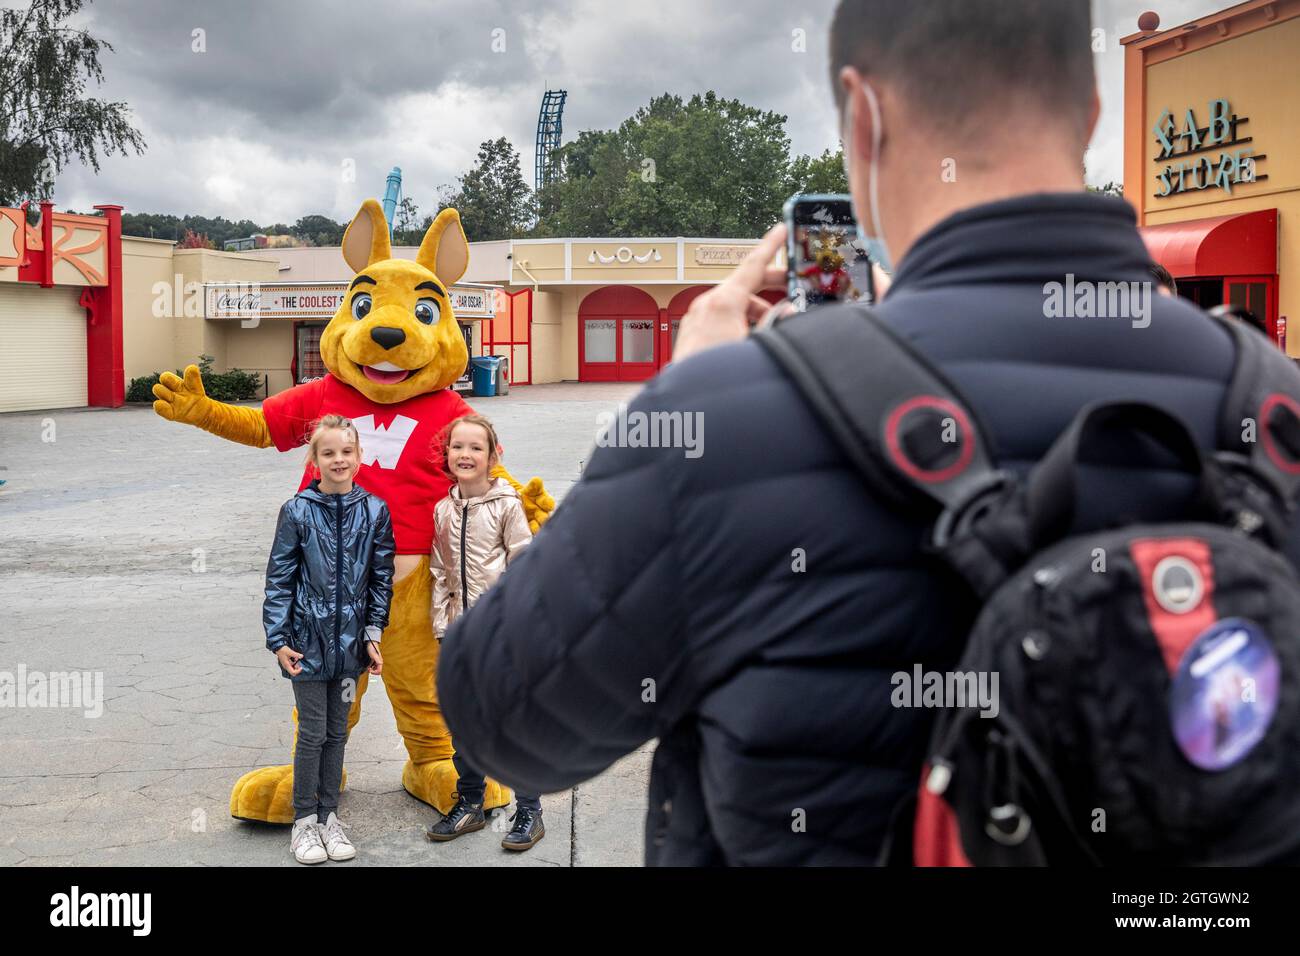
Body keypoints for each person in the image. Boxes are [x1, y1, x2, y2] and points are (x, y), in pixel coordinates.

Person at [438, 0, 1272, 865]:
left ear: (863, 115)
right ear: (1092, 110)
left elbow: (503, 721)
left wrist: (684, 401)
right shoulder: (1271, 403)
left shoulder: (727, 419)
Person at [264, 414, 393, 864]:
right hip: (306, 643)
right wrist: (278, 639)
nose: (338, 459)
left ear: (359, 457)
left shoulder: (375, 510)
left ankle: (328, 818)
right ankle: (304, 822)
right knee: (313, 732)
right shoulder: (297, 511)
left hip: (352, 646)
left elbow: (381, 579)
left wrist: (373, 633)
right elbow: (279, 579)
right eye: (328, 452)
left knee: (338, 733)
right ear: (314, 459)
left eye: (346, 451)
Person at [424, 414, 544, 851]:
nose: (466, 454)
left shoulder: (507, 504)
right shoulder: (443, 508)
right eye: (458, 446)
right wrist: (443, 627)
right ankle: (471, 802)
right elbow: (439, 573)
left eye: (477, 447)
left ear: (493, 456)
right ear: (447, 455)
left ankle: (529, 810)